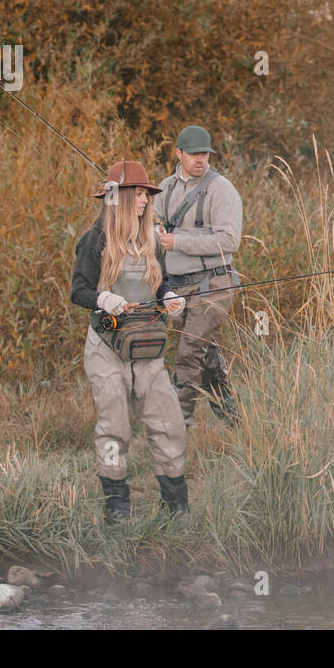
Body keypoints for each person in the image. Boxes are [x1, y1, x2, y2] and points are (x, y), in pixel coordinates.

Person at [71, 160, 188, 522]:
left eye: (146, 195)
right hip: (107, 349)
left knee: (169, 425)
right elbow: (79, 291)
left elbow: (163, 282)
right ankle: (117, 509)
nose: (144, 201)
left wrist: (170, 297)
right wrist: (103, 299)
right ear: (118, 198)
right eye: (138, 194)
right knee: (114, 429)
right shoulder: (94, 240)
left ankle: (176, 510)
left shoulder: (152, 238)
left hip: (149, 350)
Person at [153, 125, 243, 425]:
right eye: (193, 154)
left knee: (189, 352)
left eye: (204, 153)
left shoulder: (222, 189)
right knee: (205, 358)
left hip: (215, 283)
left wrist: (178, 242)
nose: (200, 160)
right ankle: (233, 420)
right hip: (178, 285)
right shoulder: (165, 188)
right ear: (178, 153)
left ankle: (176, 431)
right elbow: (152, 226)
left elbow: (230, 241)